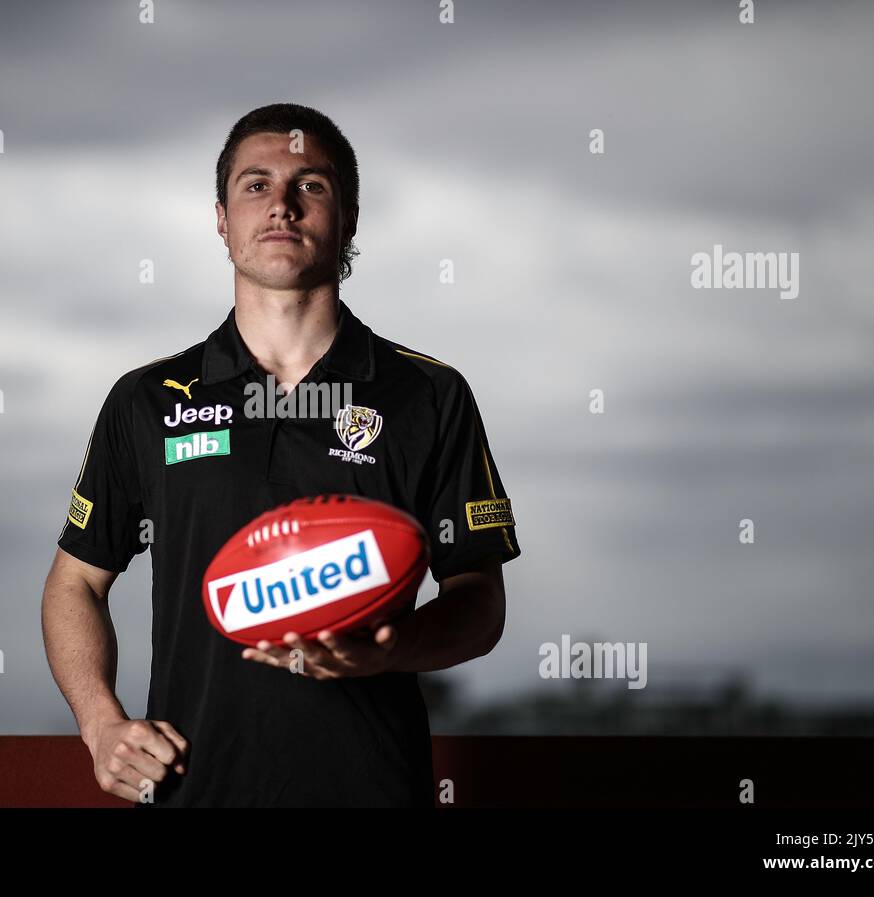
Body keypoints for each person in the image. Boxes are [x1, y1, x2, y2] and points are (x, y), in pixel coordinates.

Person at [41, 103, 521, 807]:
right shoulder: (148, 400)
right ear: (221, 217)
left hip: (375, 792)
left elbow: (478, 606)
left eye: (312, 185)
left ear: (349, 217)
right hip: (193, 789)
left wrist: (391, 648)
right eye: (256, 184)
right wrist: (99, 722)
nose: (283, 205)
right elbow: (73, 583)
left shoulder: (429, 393)